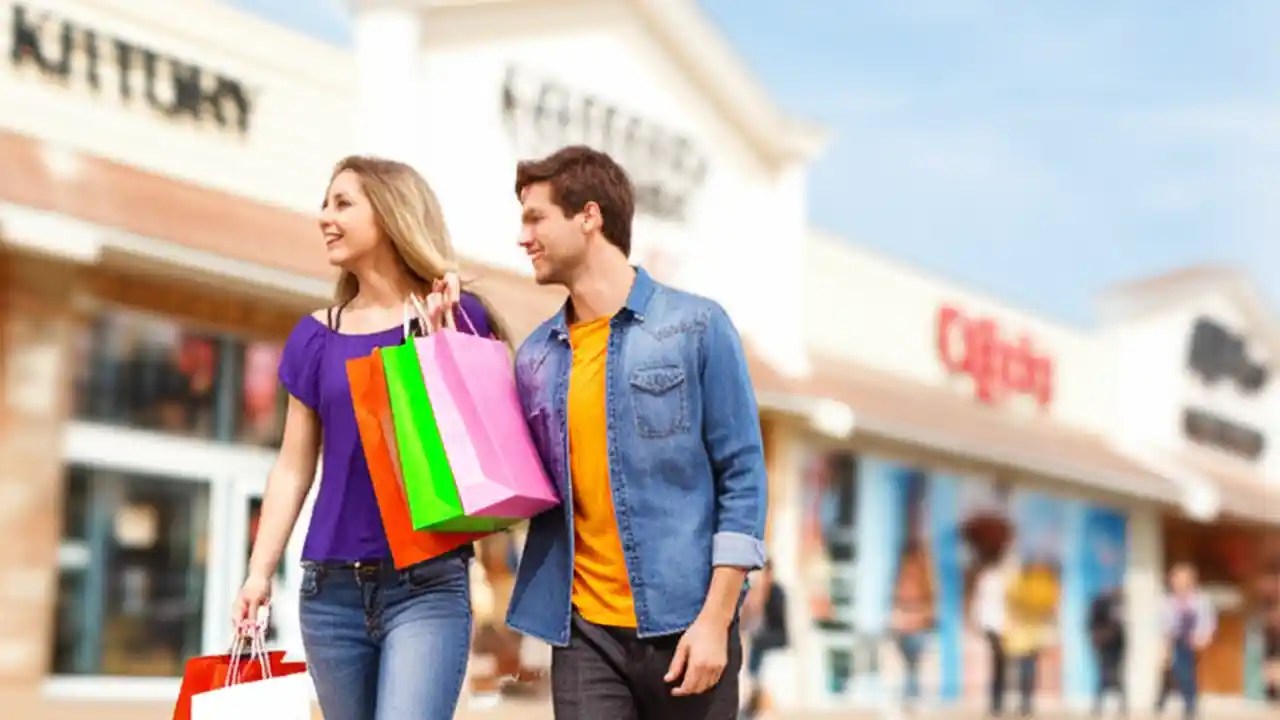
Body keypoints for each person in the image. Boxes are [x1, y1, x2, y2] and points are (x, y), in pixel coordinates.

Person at [232, 156, 503, 720]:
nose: (324, 218)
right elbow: (292, 467)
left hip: (427, 586)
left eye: (342, 203)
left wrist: (443, 334)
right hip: (329, 593)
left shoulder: (456, 315)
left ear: (389, 212)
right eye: (325, 203)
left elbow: (486, 440)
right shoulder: (315, 336)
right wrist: (258, 573)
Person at [502, 145, 767, 720]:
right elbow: (508, 477)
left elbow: (743, 479)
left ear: (589, 216)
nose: (522, 237)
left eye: (535, 217)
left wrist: (716, 621)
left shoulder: (696, 327)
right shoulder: (537, 359)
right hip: (583, 634)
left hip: (686, 627)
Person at [1154, 563, 1216, 720]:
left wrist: (1202, 638)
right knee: (1174, 670)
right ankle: (1167, 699)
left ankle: (1189, 704)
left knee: (1187, 673)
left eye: (1182, 579)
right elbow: (1164, 625)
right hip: (1175, 640)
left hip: (1194, 642)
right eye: (1176, 579)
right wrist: (1164, 646)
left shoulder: (1200, 600)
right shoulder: (1168, 601)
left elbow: (1208, 622)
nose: (1178, 583)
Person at [890, 540, 935, 714]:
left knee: (913, 666)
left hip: (917, 627)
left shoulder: (922, 577)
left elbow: (927, 604)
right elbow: (899, 603)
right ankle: (910, 698)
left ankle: (911, 698)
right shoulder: (907, 577)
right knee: (910, 665)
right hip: (906, 628)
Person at [741, 562, 788, 720]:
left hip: (773, 641)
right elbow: (746, 622)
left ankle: (755, 697)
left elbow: (781, 629)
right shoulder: (753, 593)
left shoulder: (776, 593)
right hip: (757, 643)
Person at [972, 554, 1013, 718]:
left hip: (998, 626)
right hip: (997, 626)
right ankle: (997, 704)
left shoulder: (993, 578)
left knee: (1000, 666)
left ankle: (997, 704)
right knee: (1000, 666)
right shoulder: (994, 579)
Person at [1087, 586, 1126, 717]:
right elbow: (1092, 625)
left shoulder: (1119, 607)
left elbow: (1121, 631)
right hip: (1104, 645)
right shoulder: (1099, 605)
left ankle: (1121, 704)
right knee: (1104, 674)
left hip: (1116, 646)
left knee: (1115, 675)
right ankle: (1099, 704)